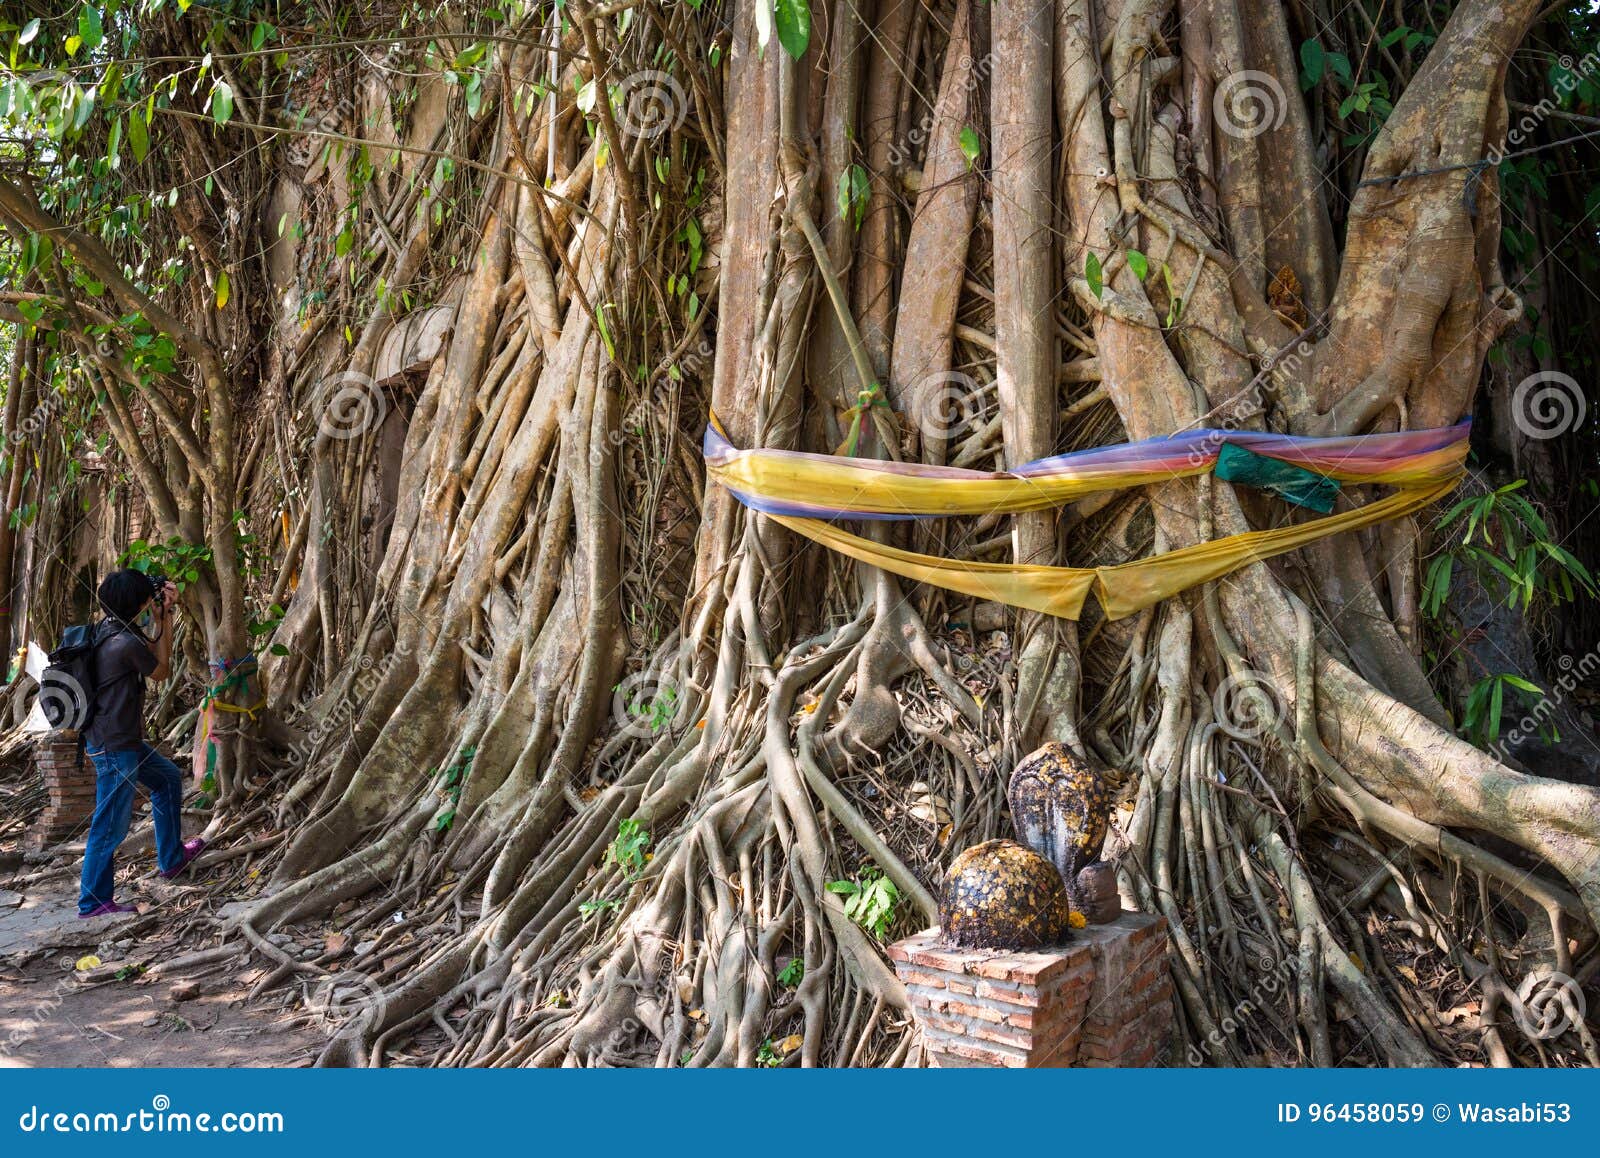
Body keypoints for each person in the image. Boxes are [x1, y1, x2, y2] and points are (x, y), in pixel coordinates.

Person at [77, 569, 205, 918]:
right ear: (137, 603)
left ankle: (172, 859)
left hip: (119, 741)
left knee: (165, 778)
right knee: (110, 824)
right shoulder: (124, 643)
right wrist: (162, 615)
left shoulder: (110, 631)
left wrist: (162, 615)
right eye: (147, 597)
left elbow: (150, 651)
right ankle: (92, 902)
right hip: (115, 747)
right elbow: (161, 670)